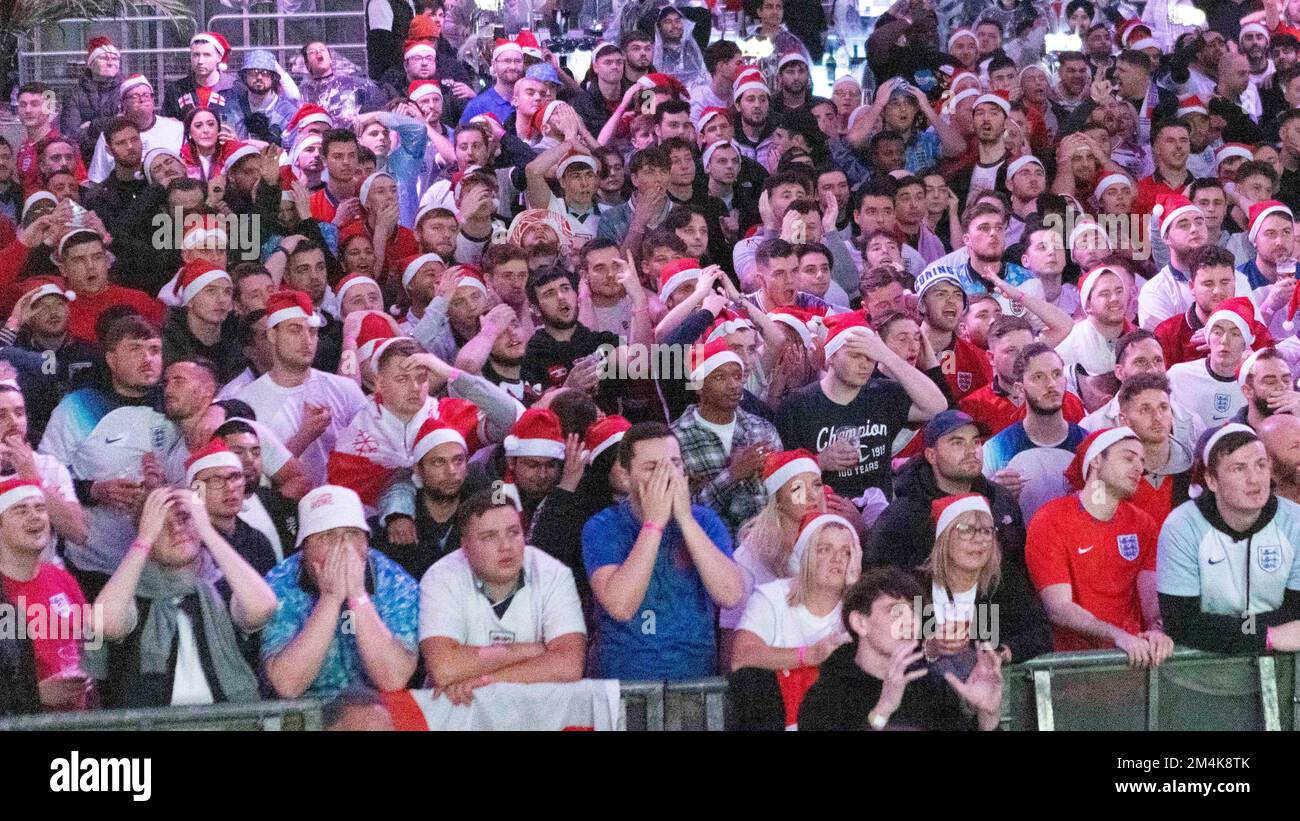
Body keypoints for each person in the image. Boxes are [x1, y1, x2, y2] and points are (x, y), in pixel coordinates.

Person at [89, 486, 277, 708]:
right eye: (161, 523)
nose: (176, 528)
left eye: (185, 518)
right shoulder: (127, 594)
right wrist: (144, 539)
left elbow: (263, 607)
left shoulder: (222, 589)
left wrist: (207, 531)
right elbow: (104, 623)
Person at [582, 422, 743, 679]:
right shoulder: (603, 526)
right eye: (652, 467)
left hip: (696, 680)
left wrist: (686, 520)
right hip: (624, 684)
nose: (666, 474)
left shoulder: (705, 521)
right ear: (626, 476)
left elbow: (731, 595)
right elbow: (621, 606)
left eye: (674, 463)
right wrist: (653, 524)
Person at [419, 488, 587, 705]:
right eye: (489, 537)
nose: (505, 546)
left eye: (513, 532)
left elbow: (569, 665)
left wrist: (488, 681)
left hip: (534, 712)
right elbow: (444, 668)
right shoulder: (440, 576)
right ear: (465, 546)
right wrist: (536, 650)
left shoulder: (553, 573)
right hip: (457, 711)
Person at [1026, 427, 1173, 666]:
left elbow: (1151, 599)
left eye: (1142, 461)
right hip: (1071, 665)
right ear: (1095, 459)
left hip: (1133, 661)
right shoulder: (1050, 520)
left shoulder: (1143, 523)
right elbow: (1059, 608)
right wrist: (1116, 636)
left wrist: (1157, 628)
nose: (1139, 468)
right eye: (1128, 458)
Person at [797, 567, 1005, 731]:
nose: (909, 621)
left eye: (913, 611)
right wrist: (884, 709)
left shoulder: (931, 688)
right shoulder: (827, 696)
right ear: (860, 623)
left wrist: (988, 718)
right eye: (895, 610)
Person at [262, 485, 419, 699]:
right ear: (304, 548)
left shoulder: (395, 581)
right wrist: (330, 599)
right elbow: (288, 685)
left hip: (376, 708)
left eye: (353, 534)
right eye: (326, 537)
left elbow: (393, 679)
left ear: (366, 540)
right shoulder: (278, 585)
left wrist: (357, 595)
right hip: (306, 712)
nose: (343, 547)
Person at [1158, 424, 1300, 654]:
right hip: (1202, 670)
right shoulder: (1182, 526)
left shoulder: (1295, 522)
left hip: (1283, 667)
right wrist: (1268, 636)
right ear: (1212, 481)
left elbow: (1295, 613)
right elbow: (1183, 624)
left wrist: (1231, 629)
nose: (1254, 479)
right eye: (1238, 468)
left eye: (1261, 465)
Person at [776, 312, 946, 502]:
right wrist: (819, 462)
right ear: (831, 357)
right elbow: (779, 477)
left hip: (878, 511)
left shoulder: (884, 394)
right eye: (855, 356)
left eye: (870, 357)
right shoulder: (798, 405)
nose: (865, 364)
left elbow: (937, 407)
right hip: (824, 511)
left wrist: (886, 356)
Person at [227, 290, 366, 486]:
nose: (307, 340)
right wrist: (304, 436)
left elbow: (373, 451)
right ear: (272, 335)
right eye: (295, 330)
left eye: (312, 331)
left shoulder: (344, 389)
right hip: (284, 511)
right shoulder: (246, 403)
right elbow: (251, 481)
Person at [870, 409, 1027, 570]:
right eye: (958, 443)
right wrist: (919, 597)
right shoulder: (903, 516)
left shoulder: (1000, 499)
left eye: (976, 441)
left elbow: (1016, 569)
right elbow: (891, 584)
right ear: (931, 455)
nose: (972, 451)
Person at [918, 493, 1051, 665]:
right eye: (966, 530)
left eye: (987, 531)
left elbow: (1041, 634)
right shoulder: (916, 585)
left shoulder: (1005, 582)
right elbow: (893, 646)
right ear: (943, 538)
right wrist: (932, 647)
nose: (979, 539)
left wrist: (1002, 653)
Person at [672, 338, 782, 534]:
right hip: (704, 553)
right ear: (698, 386)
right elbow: (677, 515)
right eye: (720, 377)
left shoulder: (762, 429)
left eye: (737, 376)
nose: (733, 385)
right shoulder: (676, 439)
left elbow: (780, 497)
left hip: (762, 548)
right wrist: (732, 475)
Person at [0, 477, 93, 710]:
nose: (35, 516)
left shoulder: (61, 578)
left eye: (40, 508)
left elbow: (89, 644)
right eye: (21, 510)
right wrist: (33, 694)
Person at [982, 343, 1089, 522]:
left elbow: (1105, 506)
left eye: (1057, 374)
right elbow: (977, 513)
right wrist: (995, 494)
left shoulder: (1088, 443)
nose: (1051, 384)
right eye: (1038, 377)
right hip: (1018, 547)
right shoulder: (995, 449)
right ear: (1019, 389)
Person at [183, 439, 277, 575]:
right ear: (196, 490)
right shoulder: (187, 544)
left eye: (235, 477)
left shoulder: (256, 540)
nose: (230, 487)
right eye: (216, 480)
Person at [1166, 296, 1255, 428]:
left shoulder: (1255, 385)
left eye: (1235, 334)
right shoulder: (1178, 376)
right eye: (1217, 332)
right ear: (1207, 337)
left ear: (1246, 342)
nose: (1224, 340)